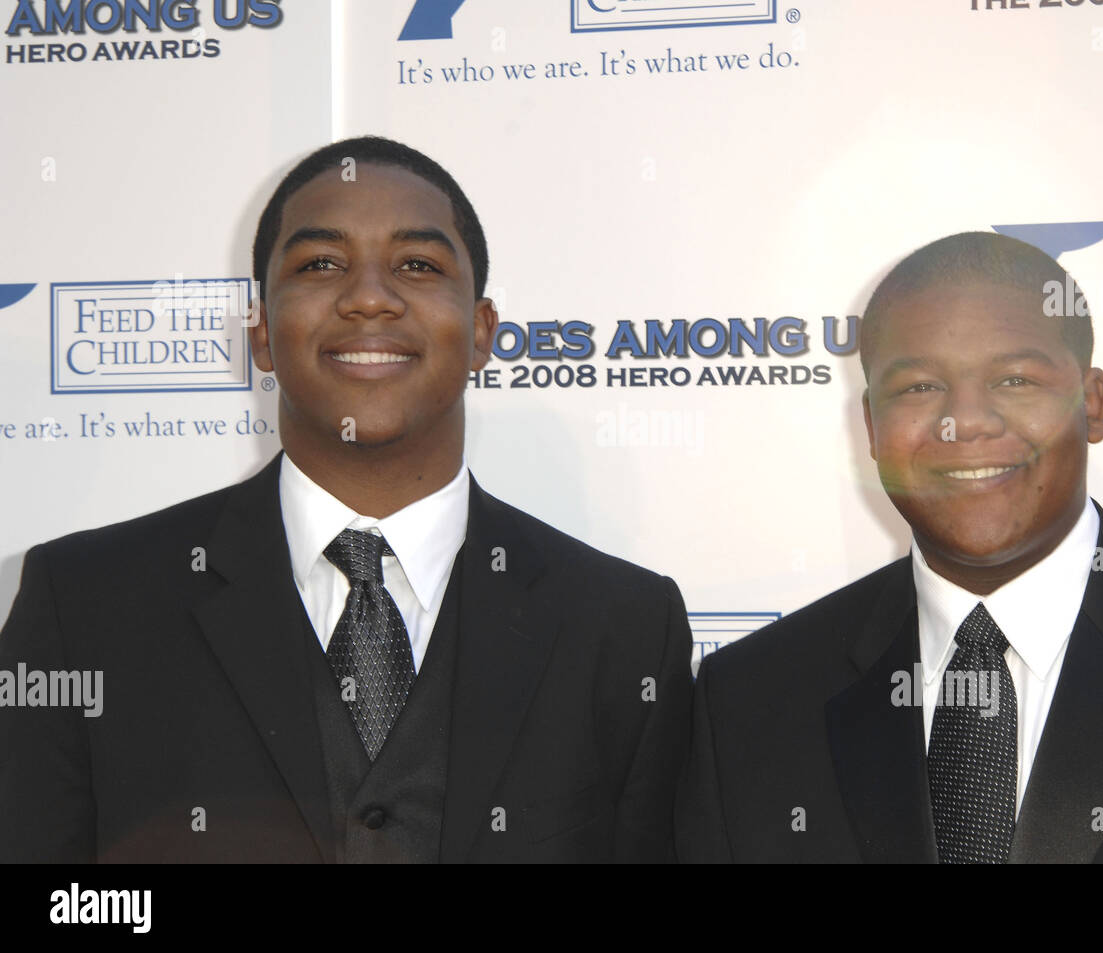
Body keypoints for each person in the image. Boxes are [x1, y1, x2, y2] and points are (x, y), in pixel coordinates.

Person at [0, 135, 692, 863]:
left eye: (418, 265)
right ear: (262, 332)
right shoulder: (82, 607)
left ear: (483, 332)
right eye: (320, 264)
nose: (368, 297)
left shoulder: (625, 627)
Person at [675, 231, 1103, 863]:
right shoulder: (748, 700)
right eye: (919, 388)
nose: (965, 420)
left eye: (1014, 379)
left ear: (1093, 403)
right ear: (870, 426)